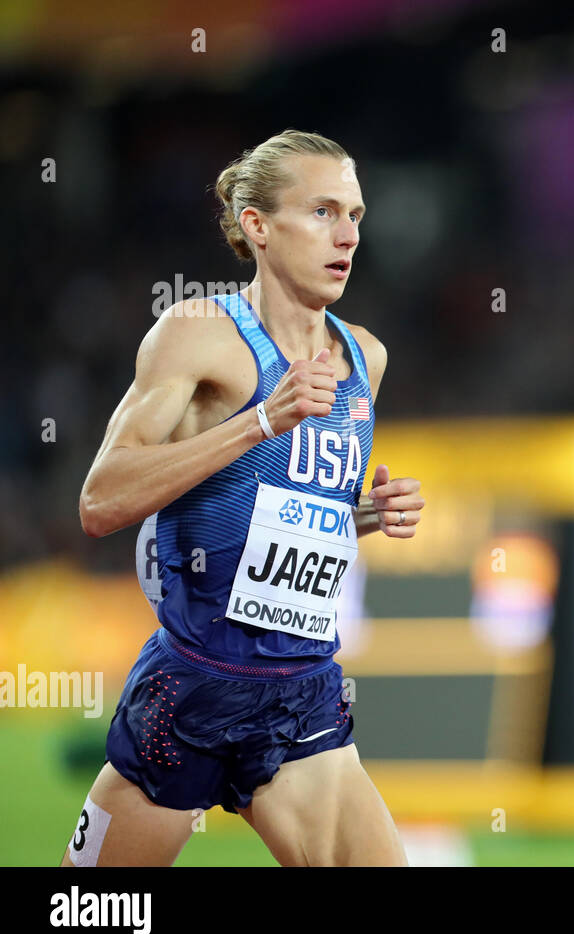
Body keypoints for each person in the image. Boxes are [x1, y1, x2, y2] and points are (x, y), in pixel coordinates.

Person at [65, 129, 423, 866]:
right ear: (257, 226)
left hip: (301, 695)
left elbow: (277, 526)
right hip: (190, 694)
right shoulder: (198, 335)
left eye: (355, 215)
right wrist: (260, 420)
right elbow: (101, 501)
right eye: (322, 212)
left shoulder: (364, 357)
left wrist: (362, 517)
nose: (348, 235)